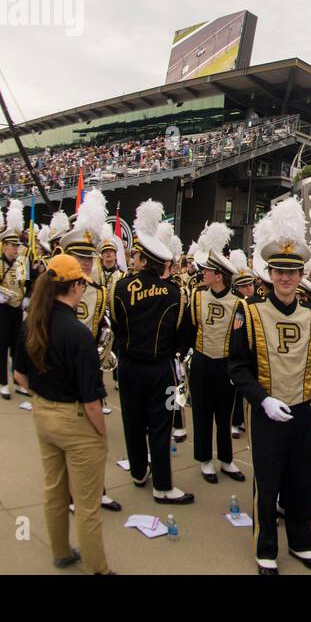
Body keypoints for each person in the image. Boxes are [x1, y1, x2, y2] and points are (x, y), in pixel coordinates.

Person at [229, 197, 311, 574]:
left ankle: (302, 543)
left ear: (302, 273)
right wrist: (261, 401)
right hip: (267, 413)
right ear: (268, 273)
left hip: (304, 411)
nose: (286, 278)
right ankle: (265, 549)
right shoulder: (249, 312)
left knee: (303, 482)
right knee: (268, 483)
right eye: (279, 271)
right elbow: (237, 368)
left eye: (292, 271)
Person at [13, 253, 113, 575]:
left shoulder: (32, 320)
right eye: (82, 283)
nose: (84, 288)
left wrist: (43, 400)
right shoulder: (78, 334)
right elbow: (92, 401)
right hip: (76, 421)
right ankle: (97, 568)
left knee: (54, 491)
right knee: (87, 505)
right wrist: (102, 432)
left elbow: (19, 376)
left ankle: (60, 552)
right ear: (72, 287)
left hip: (42, 413)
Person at [109, 200, 195, 506]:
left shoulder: (119, 288)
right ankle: (162, 485)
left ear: (145, 261)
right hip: (162, 369)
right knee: (161, 426)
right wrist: (174, 352)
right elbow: (185, 334)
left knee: (132, 421)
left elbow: (117, 327)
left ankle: (138, 472)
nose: (132, 259)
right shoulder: (176, 293)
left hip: (130, 367)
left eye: (136, 256)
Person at [178, 222, 247, 487]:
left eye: (208, 270)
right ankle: (205, 460)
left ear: (219, 275)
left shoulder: (238, 304)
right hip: (202, 362)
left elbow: (242, 341)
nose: (203, 273)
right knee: (203, 413)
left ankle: (227, 459)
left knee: (224, 414)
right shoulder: (197, 296)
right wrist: (179, 356)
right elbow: (187, 329)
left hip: (226, 365)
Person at [0, 201, 30, 399]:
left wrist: (26, 297)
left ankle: (18, 381)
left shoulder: (21, 265)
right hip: (2, 309)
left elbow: (25, 284)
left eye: (17, 245)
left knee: (17, 347)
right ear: (4, 246)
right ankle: (2, 382)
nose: (15, 249)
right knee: (2, 346)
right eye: (12, 245)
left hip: (16, 309)